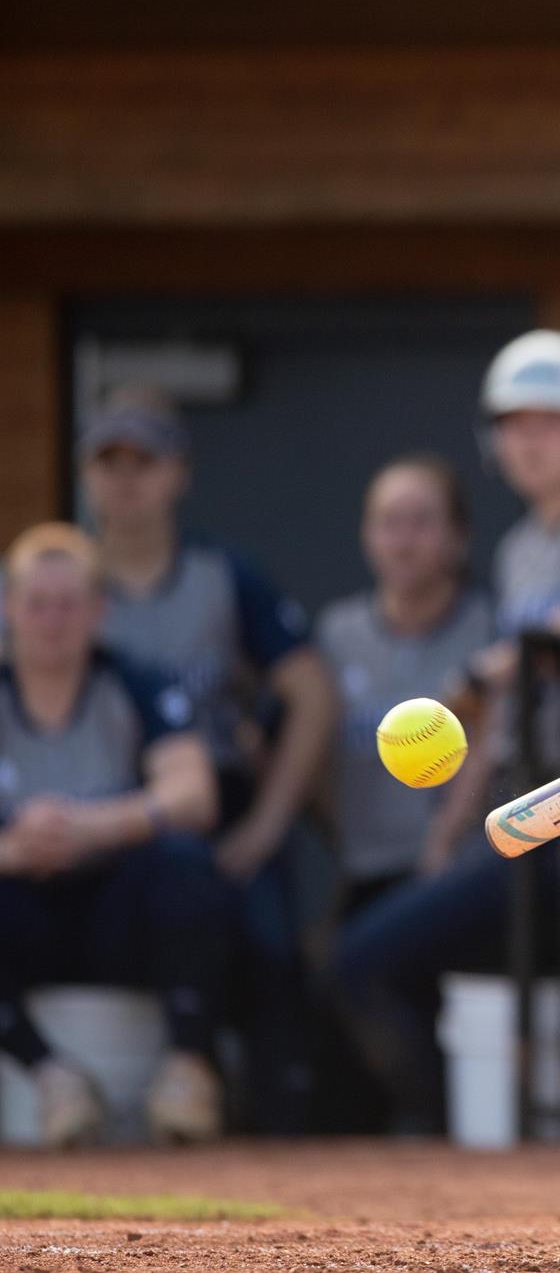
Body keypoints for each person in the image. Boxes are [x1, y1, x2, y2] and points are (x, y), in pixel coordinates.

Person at [331, 331, 560, 1133]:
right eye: (515, 423)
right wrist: (446, 836)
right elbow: (502, 722)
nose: (529, 440)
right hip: (521, 815)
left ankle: (433, 1142)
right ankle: (442, 1134)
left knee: (365, 960)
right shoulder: (522, 546)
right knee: (365, 957)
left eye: (551, 421)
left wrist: (498, 664)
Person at [78, 389, 336, 1134]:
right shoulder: (57, 584)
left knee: (269, 948)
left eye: (144, 460)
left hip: (216, 804)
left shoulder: (223, 575)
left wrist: (267, 822)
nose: (126, 478)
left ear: (179, 473)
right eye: (108, 460)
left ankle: (287, 1147)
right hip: (102, 805)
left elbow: (311, 693)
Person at [0, 524, 223, 1145]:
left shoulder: (133, 683)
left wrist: (89, 827)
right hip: (21, 913)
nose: (52, 620)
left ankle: (189, 1066)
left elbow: (193, 793)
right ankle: (49, 1073)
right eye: (36, 603)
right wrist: (13, 851)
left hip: (115, 913)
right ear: (8, 606)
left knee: (187, 863)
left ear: (99, 611)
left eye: (69, 604)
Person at [317, 455, 495, 905]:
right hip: (362, 871)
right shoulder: (336, 634)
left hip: (457, 871)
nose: (403, 542)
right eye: (388, 523)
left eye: (421, 522)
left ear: (459, 537)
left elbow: (495, 742)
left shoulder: (488, 630)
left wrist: (446, 839)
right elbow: (308, 756)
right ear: (366, 535)